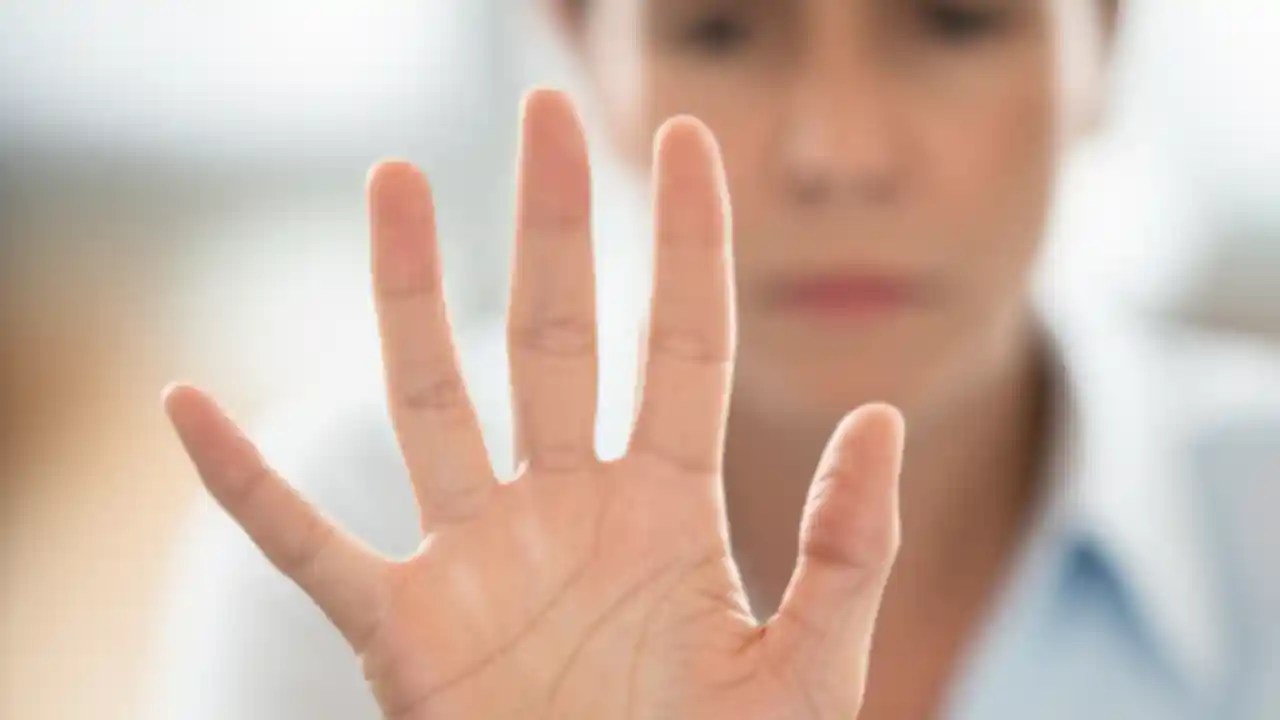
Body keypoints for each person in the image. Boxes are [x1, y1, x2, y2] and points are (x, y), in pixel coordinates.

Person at [149, 1, 1280, 718]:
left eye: (954, 22)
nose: (838, 152)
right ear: (585, 51)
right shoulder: (363, 544)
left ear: (1102, 44)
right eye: (721, 32)